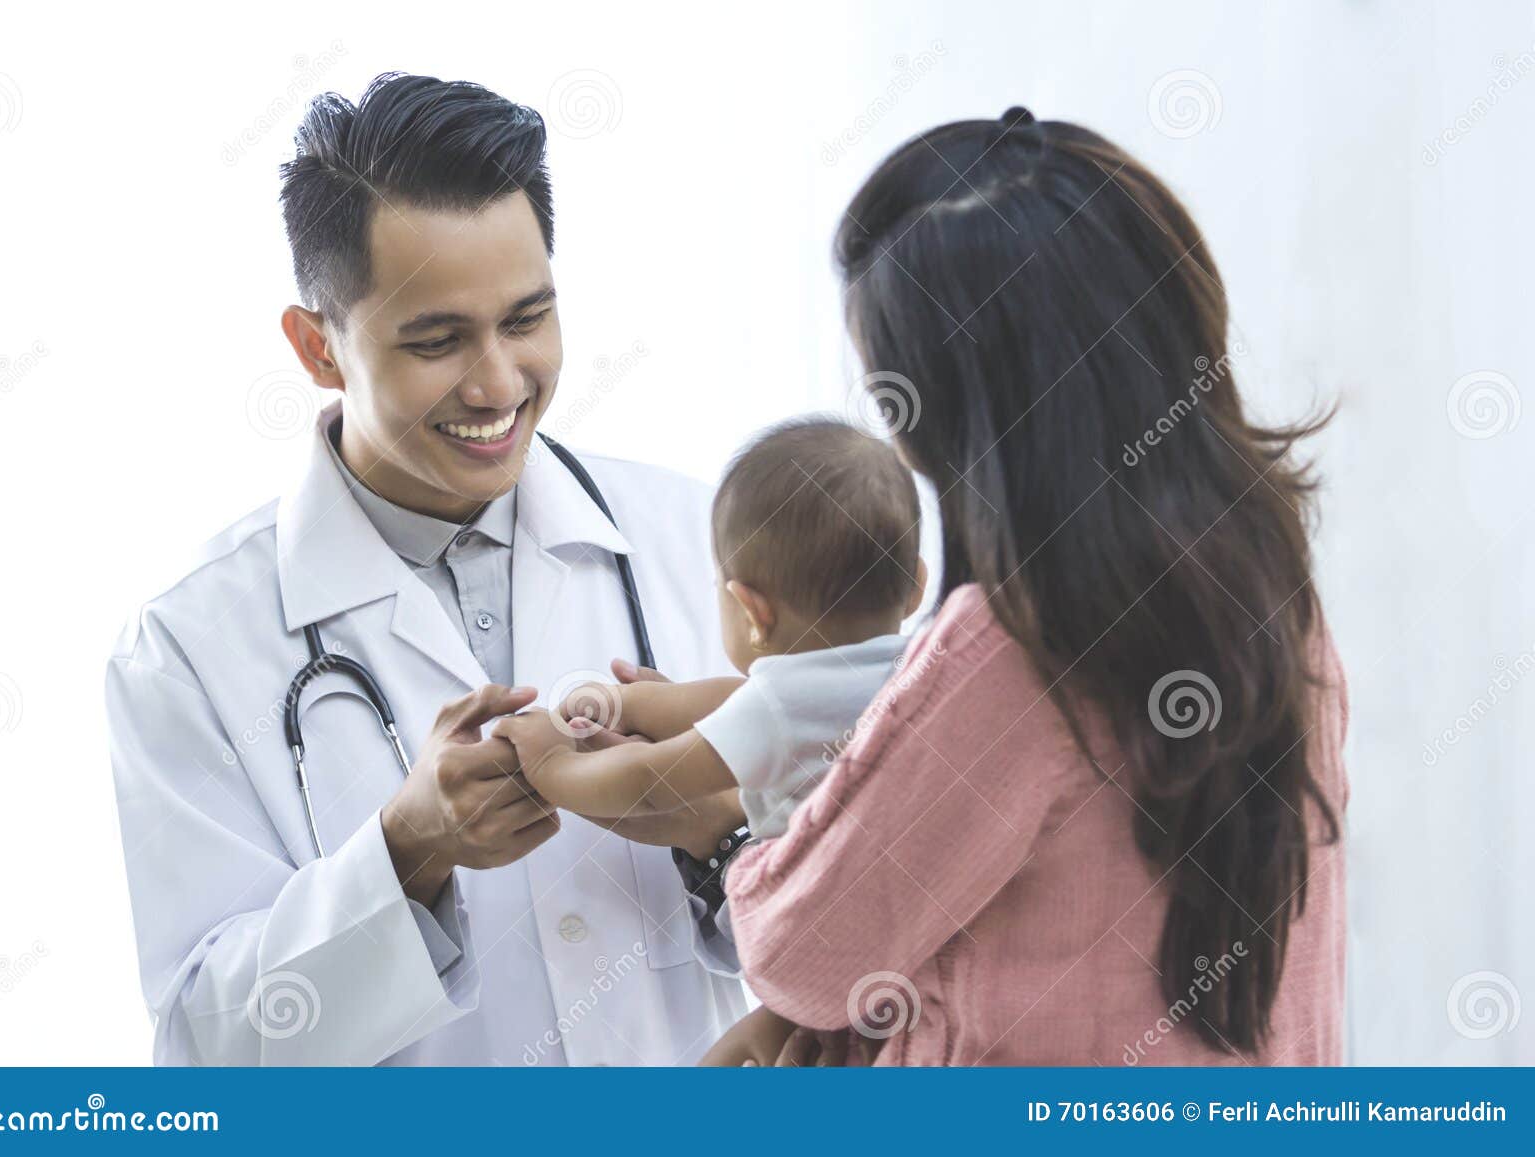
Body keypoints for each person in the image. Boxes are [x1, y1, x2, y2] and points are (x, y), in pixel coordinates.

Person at [104, 72, 749, 1066]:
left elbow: (880, 923)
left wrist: (717, 834)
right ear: (317, 345)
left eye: (526, 318)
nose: (497, 382)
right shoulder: (185, 649)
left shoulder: (695, 536)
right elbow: (209, 1051)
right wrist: (404, 850)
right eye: (437, 340)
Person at [723, 108, 1350, 1065]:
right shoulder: (1270, 584)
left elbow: (802, 953)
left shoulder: (1017, 650)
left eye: (890, 391)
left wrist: (751, 848)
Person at [494, 417, 926, 1065]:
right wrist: (639, 701)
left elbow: (651, 779)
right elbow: (734, 699)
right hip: (911, 931)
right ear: (917, 583)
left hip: (818, 938)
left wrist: (551, 764)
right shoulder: (926, 670)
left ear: (751, 611)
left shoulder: (778, 710)